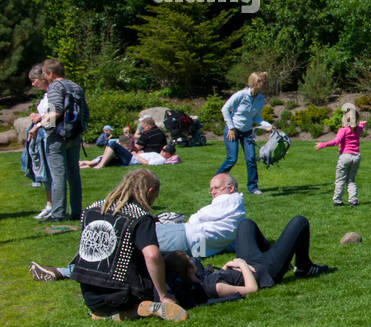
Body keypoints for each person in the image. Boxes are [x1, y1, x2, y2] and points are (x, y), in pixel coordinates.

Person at [30, 173, 246, 282]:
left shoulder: (230, 201)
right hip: (191, 241)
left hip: (182, 235)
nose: (213, 193)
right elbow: (228, 236)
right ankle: (67, 270)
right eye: (211, 190)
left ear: (231, 187)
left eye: (216, 188)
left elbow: (200, 217)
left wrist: (191, 220)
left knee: (122, 244)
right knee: (126, 248)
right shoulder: (236, 212)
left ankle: (64, 271)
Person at [67, 169, 187, 321]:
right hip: (124, 293)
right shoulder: (139, 217)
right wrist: (163, 296)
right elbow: (152, 255)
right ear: (149, 192)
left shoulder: (91, 209)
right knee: (170, 266)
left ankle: (107, 314)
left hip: (90, 294)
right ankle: (139, 308)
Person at [40, 58, 87, 222]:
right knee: (74, 175)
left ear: (50, 73)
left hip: (57, 136)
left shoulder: (54, 87)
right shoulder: (75, 86)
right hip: (74, 135)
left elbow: (56, 111)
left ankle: (58, 213)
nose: (44, 77)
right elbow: (85, 112)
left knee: (58, 176)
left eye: (44, 74)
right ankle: (76, 212)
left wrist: (41, 124)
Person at [231, 216, 332, 285]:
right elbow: (251, 289)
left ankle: (278, 256)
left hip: (243, 263)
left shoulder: (216, 277)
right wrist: (243, 266)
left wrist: (226, 267)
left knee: (246, 223)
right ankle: (304, 267)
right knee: (300, 221)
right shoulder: (217, 288)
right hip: (262, 271)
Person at [218, 71, 273, 195]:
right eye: (262, 82)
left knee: (251, 159)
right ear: (255, 83)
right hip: (233, 130)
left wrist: (267, 125)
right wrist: (231, 128)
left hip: (247, 132)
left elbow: (256, 117)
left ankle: (253, 187)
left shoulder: (260, 99)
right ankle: (216, 181)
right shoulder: (241, 95)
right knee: (232, 159)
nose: (264, 84)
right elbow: (225, 109)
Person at [315, 103, 365, 206]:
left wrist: (322, 145)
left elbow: (336, 141)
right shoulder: (359, 129)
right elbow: (360, 125)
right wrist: (363, 123)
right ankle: (353, 200)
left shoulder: (343, 130)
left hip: (345, 156)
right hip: (356, 156)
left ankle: (337, 200)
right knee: (351, 180)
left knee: (340, 179)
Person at [22, 64, 53, 218]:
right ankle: (49, 204)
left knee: (50, 171)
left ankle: (54, 206)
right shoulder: (46, 95)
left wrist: (38, 122)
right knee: (45, 171)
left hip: (49, 136)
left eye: (34, 81)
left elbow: (53, 116)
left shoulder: (53, 93)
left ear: (42, 78)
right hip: (42, 135)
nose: (32, 84)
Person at [80, 141, 180, 169]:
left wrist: (136, 155)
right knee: (106, 160)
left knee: (113, 144)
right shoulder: (158, 155)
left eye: (163, 150)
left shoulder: (161, 160)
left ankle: (100, 165)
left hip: (131, 159)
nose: (161, 150)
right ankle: (83, 165)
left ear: (167, 154)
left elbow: (147, 163)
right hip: (132, 158)